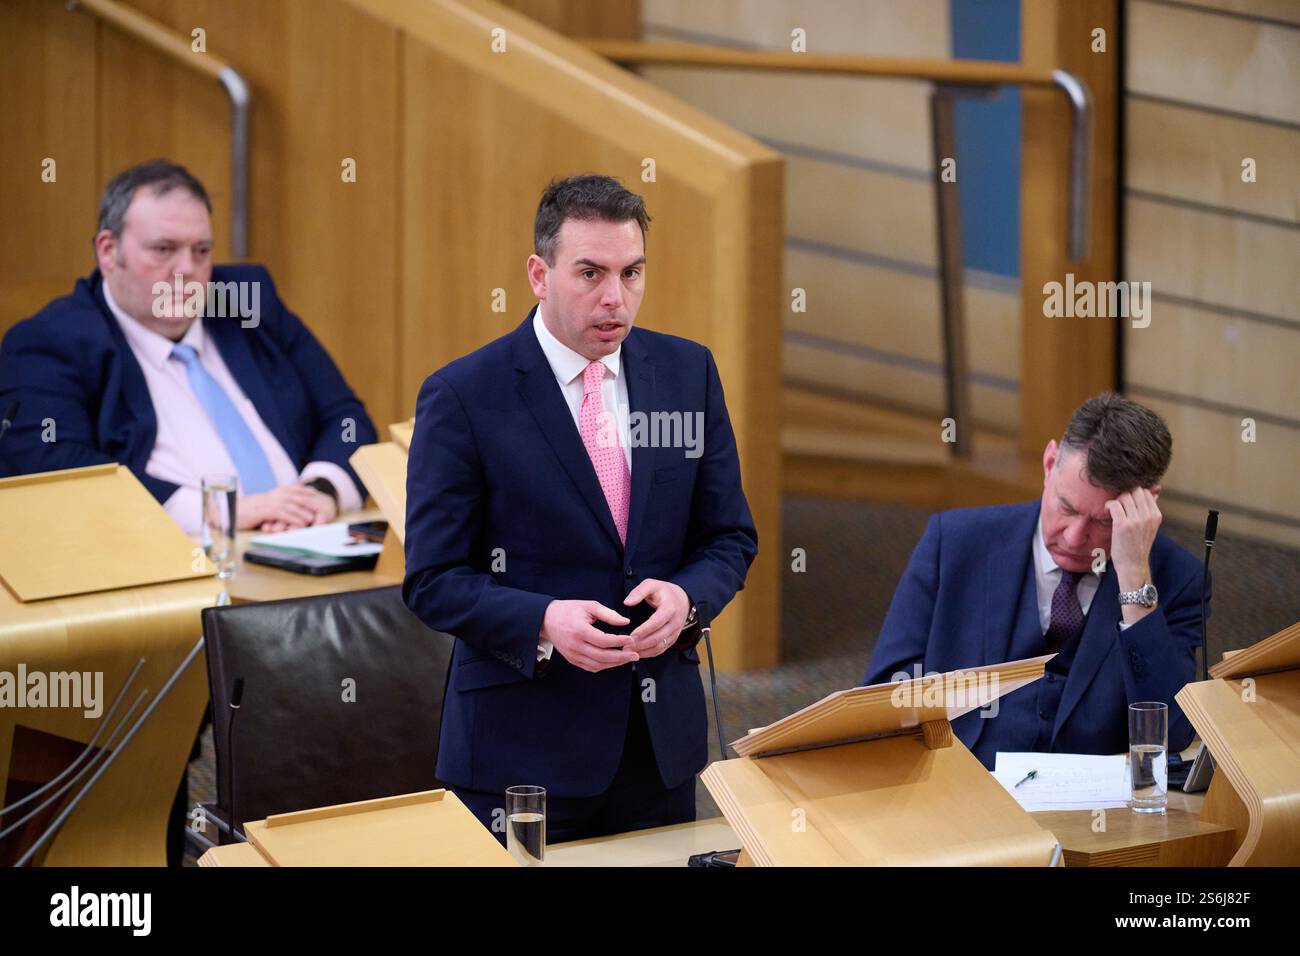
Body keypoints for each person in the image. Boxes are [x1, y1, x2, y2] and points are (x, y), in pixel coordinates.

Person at [402, 174, 758, 843]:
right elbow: (432, 580)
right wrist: (541, 620)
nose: (614, 299)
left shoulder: (688, 374)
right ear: (539, 274)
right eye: (590, 273)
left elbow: (729, 538)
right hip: (521, 752)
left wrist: (687, 600)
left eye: (631, 272)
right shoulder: (463, 395)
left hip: (657, 745)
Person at [0, 159, 376, 534]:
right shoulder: (50, 342)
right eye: (164, 249)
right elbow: (58, 470)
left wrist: (321, 492)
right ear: (108, 252)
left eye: (202, 250)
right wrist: (217, 511)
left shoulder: (246, 301)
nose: (187, 270)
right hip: (174, 565)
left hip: (311, 545)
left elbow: (344, 418)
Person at [863, 393, 1207, 767]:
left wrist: (1135, 581)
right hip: (961, 788)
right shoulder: (956, 543)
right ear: (1048, 464)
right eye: (1067, 507)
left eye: (1103, 522)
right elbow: (883, 696)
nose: (1075, 537)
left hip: (1095, 814)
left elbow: (1170, 734)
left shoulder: (1177, 580)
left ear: (1146, 506)